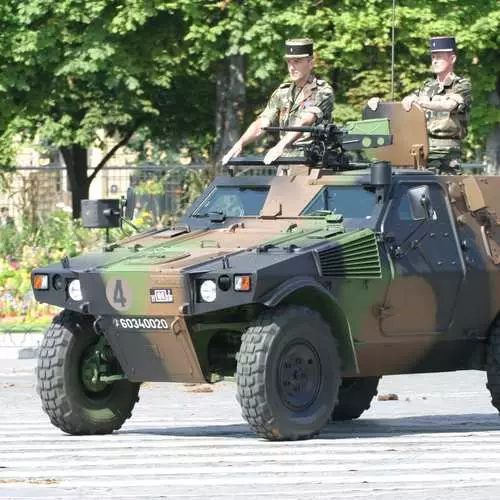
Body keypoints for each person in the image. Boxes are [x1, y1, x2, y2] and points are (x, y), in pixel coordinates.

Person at [222, 38, 334, 167]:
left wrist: (279, 146)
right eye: (289, 62)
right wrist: (240, 143)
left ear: (310, 63)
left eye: (297, 62)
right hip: (285, 162)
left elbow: (305, 121)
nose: (292, 67)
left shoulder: (322, 91)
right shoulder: (282, 92)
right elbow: (263, 123)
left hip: (313, 164)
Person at [368, 36, 471, 173]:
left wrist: (421, 102)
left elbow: (449, 105)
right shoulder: (427, 86)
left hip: (446, 153)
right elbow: (406, 105)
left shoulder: (461, 85)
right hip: (419, 150)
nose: (434, 61)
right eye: (433, 57)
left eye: (439, 57)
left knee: (444, 191)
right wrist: (379, 104)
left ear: (452, 59)